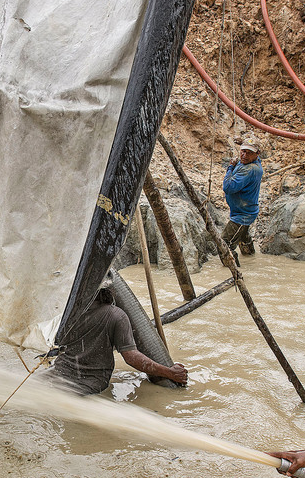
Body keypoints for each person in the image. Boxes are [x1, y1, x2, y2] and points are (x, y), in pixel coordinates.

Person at [47, 274, 188, 395]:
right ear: (110, 290)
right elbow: (131, 357)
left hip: (59, 372)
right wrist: (169, 372)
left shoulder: (68, 312)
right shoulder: (117, 316)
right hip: (91, 383)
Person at [221, 142, 263, 256]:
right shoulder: (250, 163)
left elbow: (228, 187)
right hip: (245, 211)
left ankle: (234, 272)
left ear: (257, 154)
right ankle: (251, 261)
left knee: (224, 245)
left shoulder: (250, 169)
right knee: (243, 239)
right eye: (243, 151)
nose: (244, 155)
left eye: (249, 153)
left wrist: (230, 167)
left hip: (243, 215)